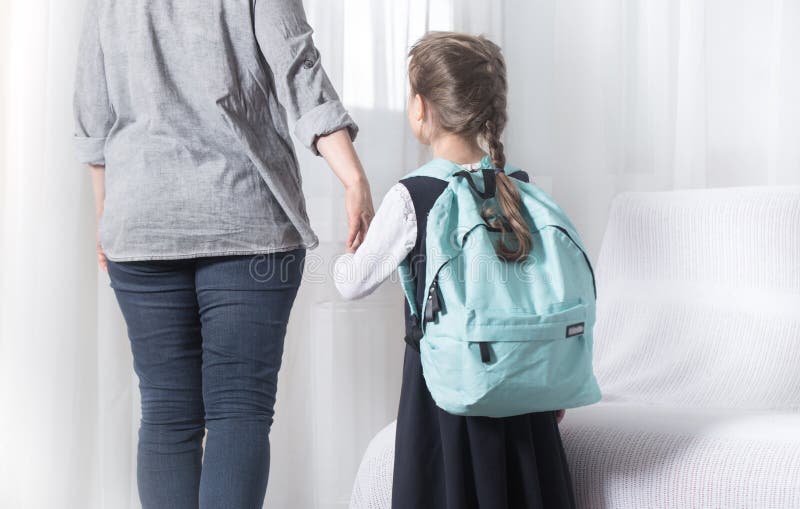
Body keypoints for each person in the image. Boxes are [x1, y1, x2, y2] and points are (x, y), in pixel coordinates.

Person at [72, 0, 373, 507]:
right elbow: (297, 67)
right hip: (247, 214)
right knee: (239, 412)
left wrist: (107, 210)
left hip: (142, 218)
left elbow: (92, 105)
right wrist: (353, 177)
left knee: (167, 415)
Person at [334, 32, 576, 508]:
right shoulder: (520, 186)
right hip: (521, 385)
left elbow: (352, 283)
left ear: (420, 108)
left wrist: (353, 251)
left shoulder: (412, 195)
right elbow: (542, 291)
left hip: (443, 394)